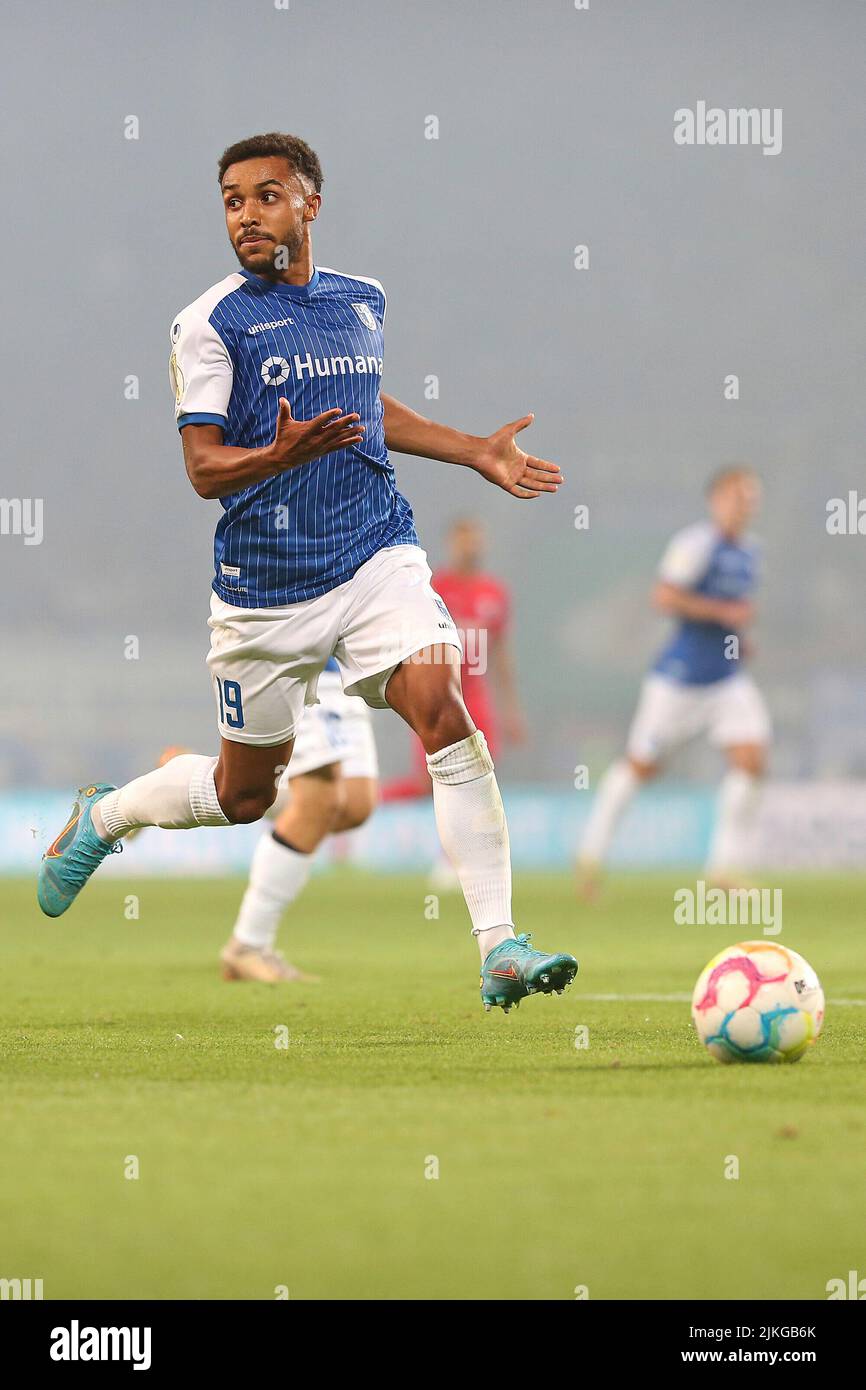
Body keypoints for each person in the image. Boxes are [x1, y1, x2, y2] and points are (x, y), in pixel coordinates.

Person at [38, 130, 577, 1014]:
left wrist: (473, 449)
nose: (245, 215)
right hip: (265, 593)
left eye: (265, 195)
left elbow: (366, 406)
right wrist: (275, 453)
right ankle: (109, 815)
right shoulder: (211, 323)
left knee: (443, 711)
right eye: (232, 201)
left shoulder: (361, 300)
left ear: (309, 205)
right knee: (244, 794)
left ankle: (498, 946)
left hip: (375, 555)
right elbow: (203, 469)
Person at [578, 467, 770, 894]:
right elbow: (665, 596)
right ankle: (591, 855)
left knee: (752, 759)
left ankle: (723, 869)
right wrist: (723, 615)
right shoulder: (696, 544)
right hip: (678, 680)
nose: (746, 506)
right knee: (643, 765)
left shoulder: (750, 551)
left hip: (725, 679)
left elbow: (732, 613)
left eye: (752, 498)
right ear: (716, 499)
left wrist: (739, 638)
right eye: (739, 496)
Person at [383, 516, 525, 804]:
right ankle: (373, 799)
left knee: (480, 773)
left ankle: (457, 848)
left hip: (476, 696)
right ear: (451, 544)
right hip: (436, 692)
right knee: (431, 781)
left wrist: (510, 709)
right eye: (463, 540)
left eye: (475, 540)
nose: (470, 547)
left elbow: (500, 652)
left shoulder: (494, 592)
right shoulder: (435, 587)